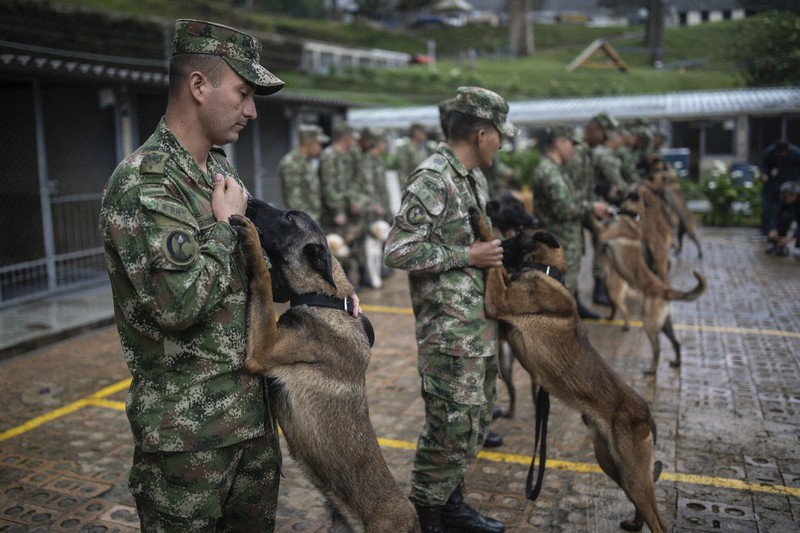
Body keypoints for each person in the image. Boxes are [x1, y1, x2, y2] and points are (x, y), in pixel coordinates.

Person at [100, 19, 360, 532]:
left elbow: (258, 274)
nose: (252, 110)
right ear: (199, 86)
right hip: (188, 441)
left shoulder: (221, 171)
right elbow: (177, 306)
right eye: (243, 93)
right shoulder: (145, 184)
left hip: (253, 426)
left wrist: (331, 294)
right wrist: (224, 229)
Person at [384, 86, 517, 533]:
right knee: (448, 429)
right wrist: (468, 256)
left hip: (477, 326)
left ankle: (452, 504)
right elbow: (398, 250)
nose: (502, 143)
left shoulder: (472, 177)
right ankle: (428, 515)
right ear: (481, 134)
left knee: (473, 423)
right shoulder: (433, 178)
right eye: (500, 135)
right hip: (448, 332)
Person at [533, 125, 608, 319]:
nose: (573, 149)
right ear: (559, 143)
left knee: (568, 286)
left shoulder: (557, 170)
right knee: (559, 291)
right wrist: (592, 208)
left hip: (565, 241)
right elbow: (564, 209)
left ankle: (572, 311)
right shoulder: (550, 172)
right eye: (571, 144)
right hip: (559, 242)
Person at [279, 124, 329, 222]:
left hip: (313, 219)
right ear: (308, 143)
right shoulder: (292, 162)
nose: (320, 148)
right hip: (303, 223)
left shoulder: (307, 161)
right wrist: (307, 224)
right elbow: (294, 201)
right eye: (318, 144)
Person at [760, 140, 800, 236]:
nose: (778, 155)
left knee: (781, 208)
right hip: (771, 182)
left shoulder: (796, 154)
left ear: (786, 151)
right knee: (767, 207)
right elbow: (762, 165)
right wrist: (763, 174)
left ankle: (779, 231)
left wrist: (795, 181)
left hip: (787, 184)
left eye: (780, 153)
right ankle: (767, 231)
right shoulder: (770, 152)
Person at [766, 180, 800, 256]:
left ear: (794, 195)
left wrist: (791, 238)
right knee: (784, 216)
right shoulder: (784, 200)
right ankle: (779, 244)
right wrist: (774, 229)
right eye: (782, 195)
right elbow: (776, 215)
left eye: (786, 196)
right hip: (793, 216)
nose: (783, 198)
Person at [396, 122, 430, 188]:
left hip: (421, 186)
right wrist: (404, 188)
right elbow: (402, 169)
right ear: (415, 132)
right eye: (422, 132)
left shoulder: (421, 148)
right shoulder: (407, 147)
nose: (425, 135)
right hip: (411, 187)